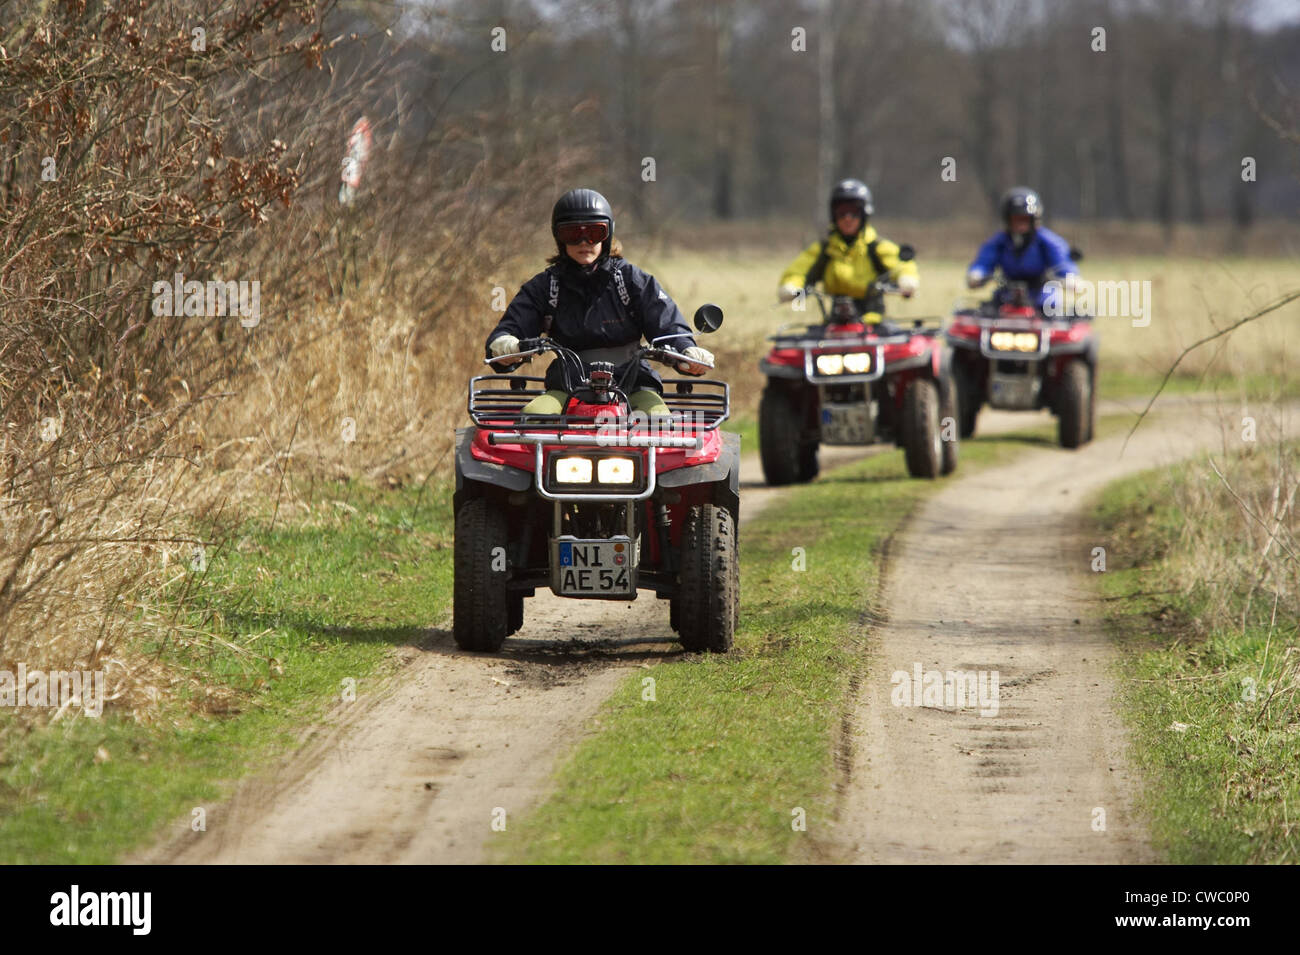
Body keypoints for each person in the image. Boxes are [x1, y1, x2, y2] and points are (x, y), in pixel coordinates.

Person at [486, 188, 712, 418]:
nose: (584, 241)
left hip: (634, 383)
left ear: (608, 234)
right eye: (572, 233)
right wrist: (506, 344)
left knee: (658, 422)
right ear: (558, 237)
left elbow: (667, 323)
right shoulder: (545, 286)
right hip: (567, 385)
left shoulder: (631, 280)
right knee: (532, 418)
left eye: (594, 232)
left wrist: (687, 350)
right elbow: (510, 328)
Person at [778, 178, 919, 322]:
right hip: (834, 323)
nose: (848, 218)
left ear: (864, 214)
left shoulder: (876, 246)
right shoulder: (824, 249)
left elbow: (902, 266)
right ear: (834, 215)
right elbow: (798, 271)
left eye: (854, 212)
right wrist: (791, 288)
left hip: (874, 323)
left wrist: (906, 280)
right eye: (842, 212)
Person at [966, 186, 1079, 310]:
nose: (1021, 224)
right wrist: (976, 274)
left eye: (1025, 220)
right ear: (1008, 220)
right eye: (1016, 220)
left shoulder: (1047, 241)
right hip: (1007, 294)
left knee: (1052, 309)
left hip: (1041, 295)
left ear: (1034, 220)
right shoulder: (998, 242)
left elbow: (1062, 263)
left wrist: (1070, 278)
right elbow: (984, 262)